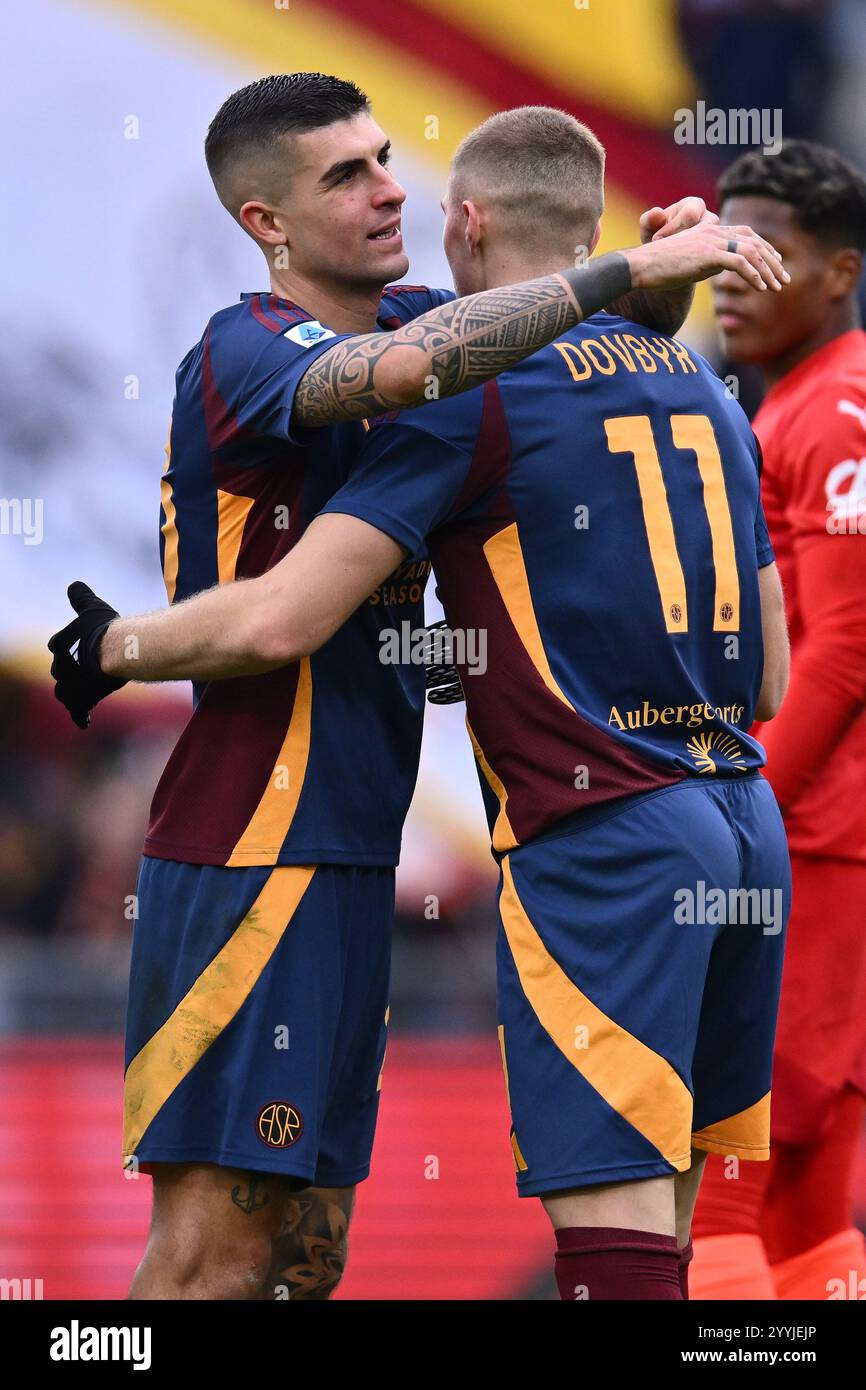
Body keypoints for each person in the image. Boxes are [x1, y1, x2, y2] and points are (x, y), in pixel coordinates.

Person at [52, 103, 789, 1300]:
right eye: (347, 176)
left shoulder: (444, 329)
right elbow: (414, 382)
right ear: (266, 223)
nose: (389, 189)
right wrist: (115, 648)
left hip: (356, 844)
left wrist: (649, 289)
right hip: (254, 840)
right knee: (213, 1263)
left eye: (390, 160)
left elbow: (535, 340)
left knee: (305, 1259)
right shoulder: (248, 347)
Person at [691, 140, 866, 1302]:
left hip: (815, 837)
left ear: (839, 271)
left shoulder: (839, 409)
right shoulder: (797, 403)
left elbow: (847, 647)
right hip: (814, 832)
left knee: (723, 1162)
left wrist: (747, 808)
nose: (733, 277)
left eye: (771, 255)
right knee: (801, 1167)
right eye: (725, 252)